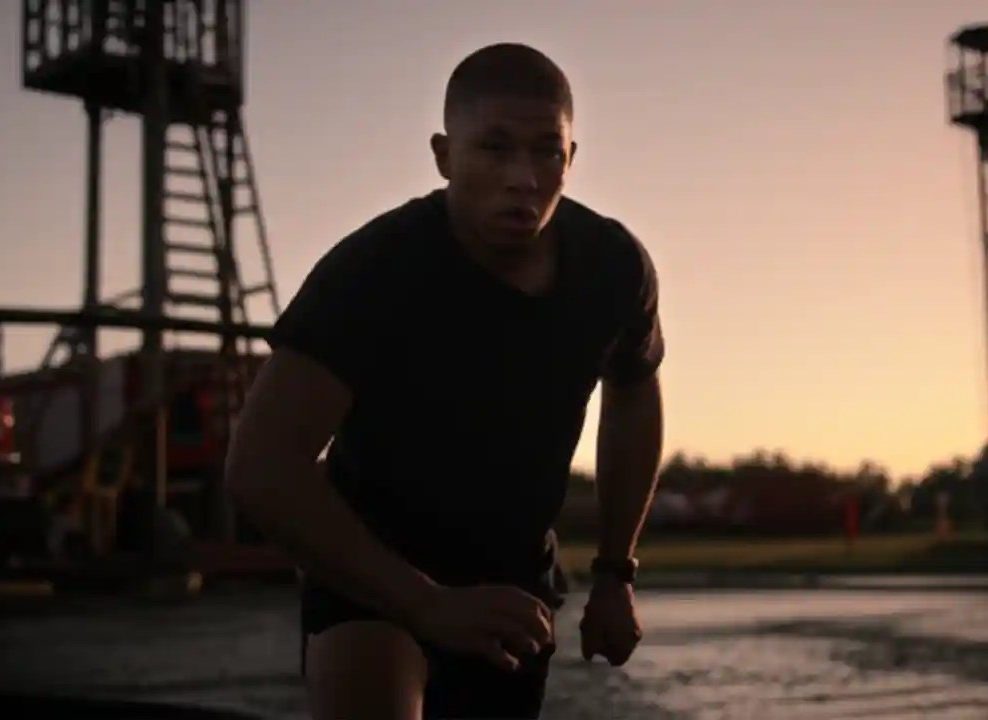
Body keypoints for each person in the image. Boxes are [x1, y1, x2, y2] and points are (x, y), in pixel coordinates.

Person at [225, 41, 665, 720]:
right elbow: (260, 466)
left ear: (571, 159)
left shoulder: (611, 268)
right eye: (494, 147)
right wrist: (425, 603)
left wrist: (615, 571)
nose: (524, 176)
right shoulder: (376, 272)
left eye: (547, 151)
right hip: (371, 573)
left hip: (510, 585)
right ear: (443, 155)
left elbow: (634, 390)